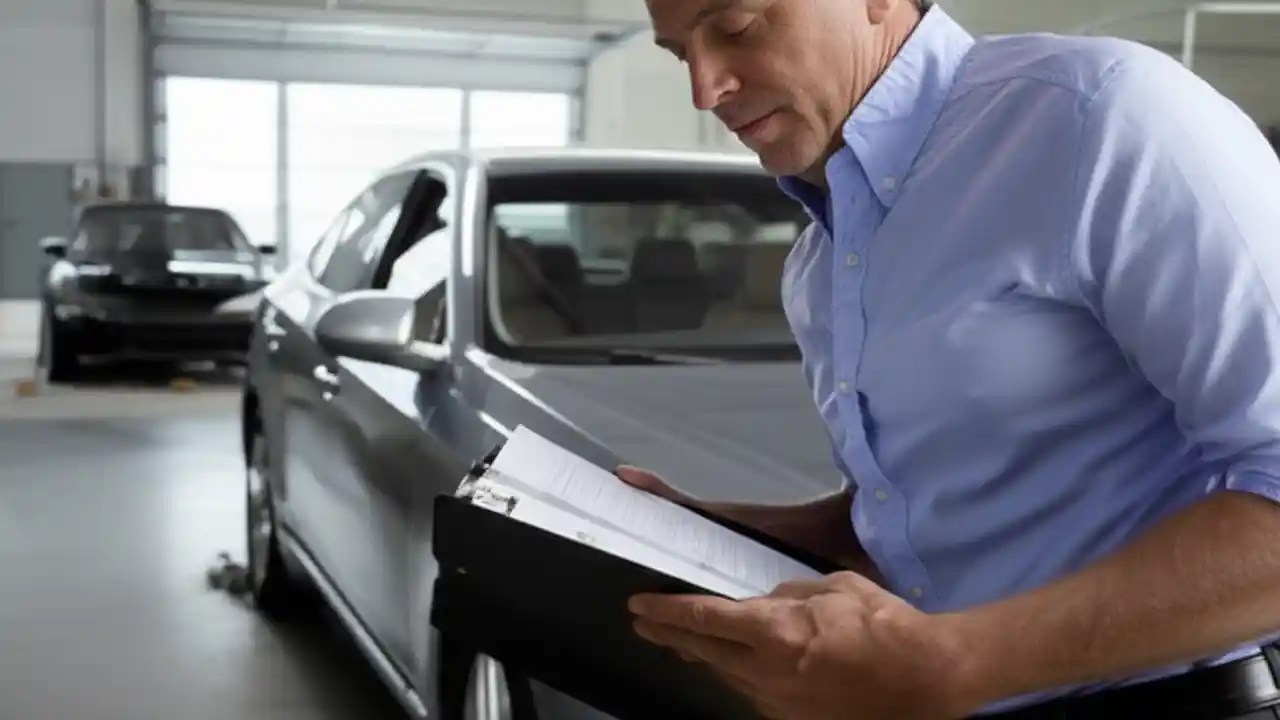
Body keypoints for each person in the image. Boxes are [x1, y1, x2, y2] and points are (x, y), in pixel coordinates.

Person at [616, 0, 1280, 718]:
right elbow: (952, 512)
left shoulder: (1098, 114)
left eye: (738, 28)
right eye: (680, 55)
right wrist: (731, 537)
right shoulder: (819, 263)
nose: (705, 90)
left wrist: (958, 661)